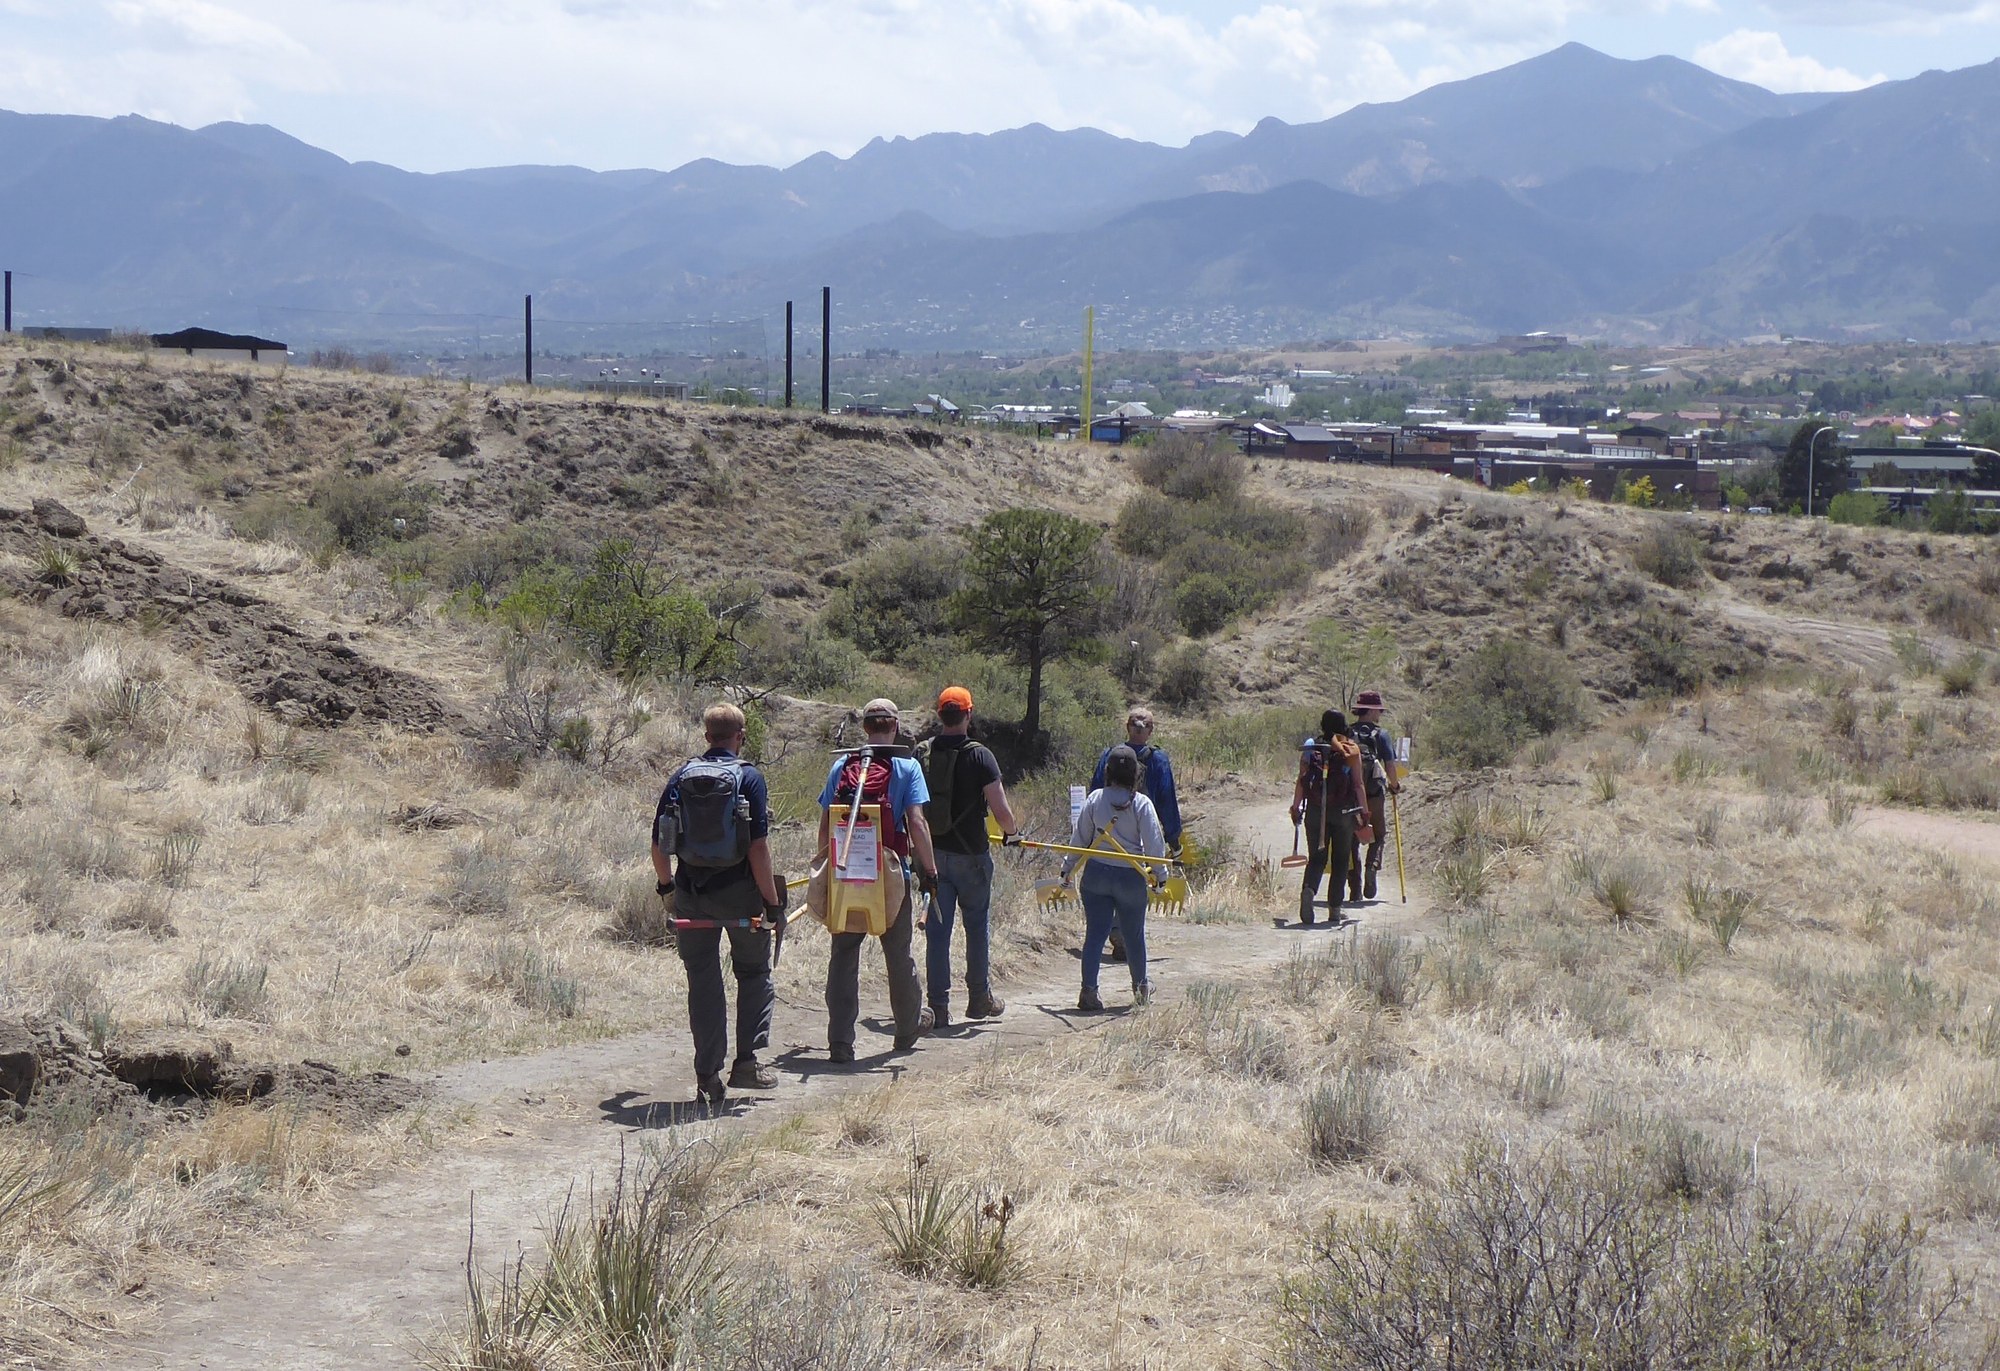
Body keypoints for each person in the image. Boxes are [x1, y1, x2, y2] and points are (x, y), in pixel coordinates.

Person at [651, 702, 786, 1109]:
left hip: (693, 894)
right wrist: (772, 902)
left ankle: (707, 1076)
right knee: (753, 971)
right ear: (740, 736)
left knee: (704, 984)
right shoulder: (749, 778)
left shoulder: (681, 777)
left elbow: (659, 845)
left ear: (707, 736)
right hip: (741, 894)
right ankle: (746, 1062)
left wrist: (667, 889)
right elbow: (759, 850)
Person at [818, 698, 939, 1063]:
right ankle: (906, 1029)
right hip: (889, 873)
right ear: (896, 727)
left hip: (846, 873)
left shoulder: (842, 765)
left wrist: (826, 867)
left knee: (843, 955)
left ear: (866, 728)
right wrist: (929, 871)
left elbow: (827, 823)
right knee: (898, 953)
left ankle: (840, 1042)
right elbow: (916, 823)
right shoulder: (907, 767)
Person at [917, 686, 1021, 1028]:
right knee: (976, 927)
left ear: (939, 714)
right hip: (972, 855)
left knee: (938, 933)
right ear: (969, 714)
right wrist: (1012, 833)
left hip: (932, 854)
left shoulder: (924, 753)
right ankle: (979, 999)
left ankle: (938, 1007)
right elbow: (1001, 810)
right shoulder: (980, 755)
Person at [1062, 744, 1170, 1010]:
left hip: (1096, 875)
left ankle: (1088, 991)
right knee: (1133, 935)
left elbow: (1079, 840)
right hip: (1129, 876)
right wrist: (1161, 875)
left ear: (1108, 771)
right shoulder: (1141, 804)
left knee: (1095, 935)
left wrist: (1067, 869)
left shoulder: (1095, 799)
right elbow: (1154, 844)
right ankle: (1140, 988)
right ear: (1135, 774)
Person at [1090, 707, 1182, 960]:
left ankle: (1113, 930)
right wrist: (1173, 838)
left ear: (1127, 728)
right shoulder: (1158, 759)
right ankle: (1125, 934)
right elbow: (1166, 800)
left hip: (1106, 831)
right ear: (1150, 731)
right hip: (1139, 828)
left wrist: (1088, 829)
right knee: (1133, 883)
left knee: (1107, 880)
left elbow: (1095, 792)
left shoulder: (1110, 755)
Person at [1289, 710, 1373, 926]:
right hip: (1343, 812)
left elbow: (1301, 780)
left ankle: (1309, 890)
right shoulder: (1349, 748)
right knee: (1341, 860)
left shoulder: (1311, 745)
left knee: (1317, 857)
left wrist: (1296, 806)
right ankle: (1335, 909)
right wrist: (1364, 811)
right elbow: (1358, 784)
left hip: (1316, 811)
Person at [1346, 690, 1401, 902]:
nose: (1380, 715)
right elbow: (1390, 766)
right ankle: (1372, 866)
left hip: (1350, 796)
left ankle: (1355, 887)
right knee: (1378, 835)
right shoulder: (1381, 735)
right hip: (1375, 794)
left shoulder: (1347, 733)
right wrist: (1394, 786)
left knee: (1351, 839)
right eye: (1378, 710)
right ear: (1369, 711)